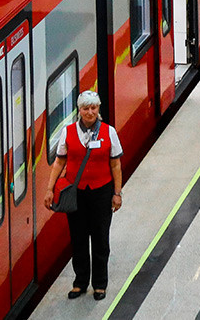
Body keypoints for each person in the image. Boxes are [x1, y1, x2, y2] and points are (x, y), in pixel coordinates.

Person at [44, 90, 123, 302]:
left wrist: (117, 193)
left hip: (102, 192)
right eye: (86, 108)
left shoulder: (109, 132)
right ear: (79, 110)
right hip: (76, 193)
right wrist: (50, 189)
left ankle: (100, 284)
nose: (90, 112)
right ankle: (80, 282)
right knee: (78, 238)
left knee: (100, 239)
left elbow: (115, 164)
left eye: (93, 108)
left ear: (98, 109)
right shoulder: (68, 132)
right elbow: (59, 162)